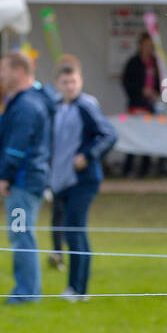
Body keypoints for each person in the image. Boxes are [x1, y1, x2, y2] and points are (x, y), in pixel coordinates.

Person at [49, 56, 117, 300]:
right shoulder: (55, 107)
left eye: (74, 81)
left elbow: (108, 135)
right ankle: (75, 288)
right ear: (57, 83)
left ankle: (78, 289)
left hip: (83, 180)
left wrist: (87, 155)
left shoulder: (86, 106)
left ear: (81, 81)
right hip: (61, 179)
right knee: (71, 230)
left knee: (75, 230)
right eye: (65, 82)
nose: (70, 86)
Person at [0, 51, 54, 303]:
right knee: (22, 234)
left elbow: (17, 146)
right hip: (28, 177)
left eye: (3, 69)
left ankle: (26, 294)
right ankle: (27, 291)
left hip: (23, 179)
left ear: (18, 71)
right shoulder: (28, 100)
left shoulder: (27, 105)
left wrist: (4, 175)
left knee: (21, 235)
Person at [120, 34, 161, 178]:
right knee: (133, 135)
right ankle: (128, 168)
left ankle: (146, 168)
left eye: (151, 46)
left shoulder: (155, 63)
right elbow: (127, 83)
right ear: (140, 45)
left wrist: (156, 93)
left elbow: (162, 82)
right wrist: (140, 90)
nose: (149, 48)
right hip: (136, 103)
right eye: (146, 45)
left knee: (148, 135)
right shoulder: (133, 62)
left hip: (151, 104)